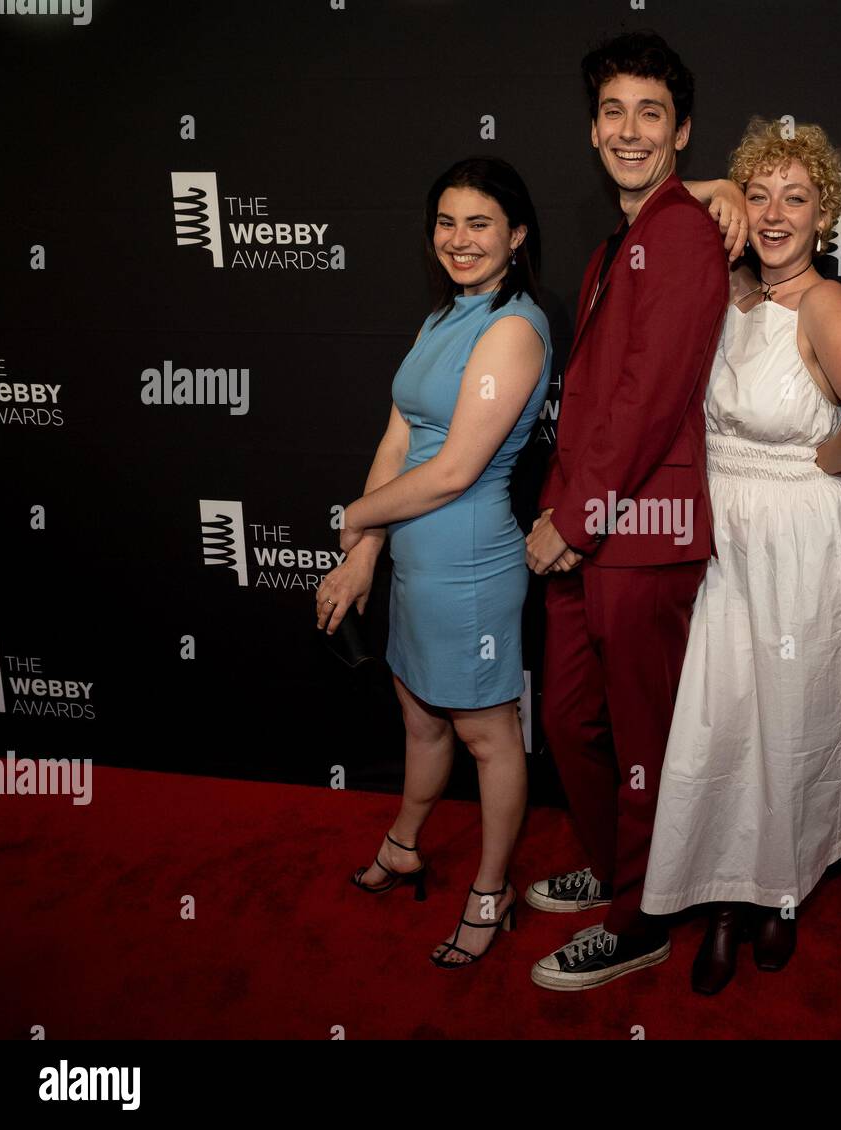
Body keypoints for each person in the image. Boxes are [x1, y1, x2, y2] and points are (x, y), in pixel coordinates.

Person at [640, 118, 841, 994]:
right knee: (723, 716)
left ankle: (781, 893)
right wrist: (710, 193)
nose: (773, 214)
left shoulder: (826, 303)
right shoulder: (720, 289)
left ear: (823, 216)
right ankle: (724, 898)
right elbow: (647, 204)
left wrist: (822, 458)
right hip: (719, 530)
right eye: (757, 194)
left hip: (800, 538)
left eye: (795, 198)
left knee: (794, 717)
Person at [522, 31, 732, 990]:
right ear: (593, 130)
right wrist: (564, 517)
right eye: (613, 112)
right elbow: (594, 402)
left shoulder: (684, 229)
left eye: (652, 112)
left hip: (642, 536)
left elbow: (651, 396)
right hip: (589, 531)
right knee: (569, 720)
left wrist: (576, 519)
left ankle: (644, 914)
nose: (630, 129)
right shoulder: (616, 246)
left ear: (681, 132)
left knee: (644, 737)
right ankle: (613, 866)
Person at [316, 156, 552, 969]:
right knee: (419, 715)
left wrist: (351, 518)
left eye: (480, 223)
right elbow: (398, 440)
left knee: (487, 735)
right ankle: (407, 843)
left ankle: (493, 891)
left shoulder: (513, 330)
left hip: (473, 569)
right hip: (414, 561)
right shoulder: (439, 319)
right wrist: (366, 555)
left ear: (516, 236)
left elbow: (454, 470)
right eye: (446, 223)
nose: (460, 239)